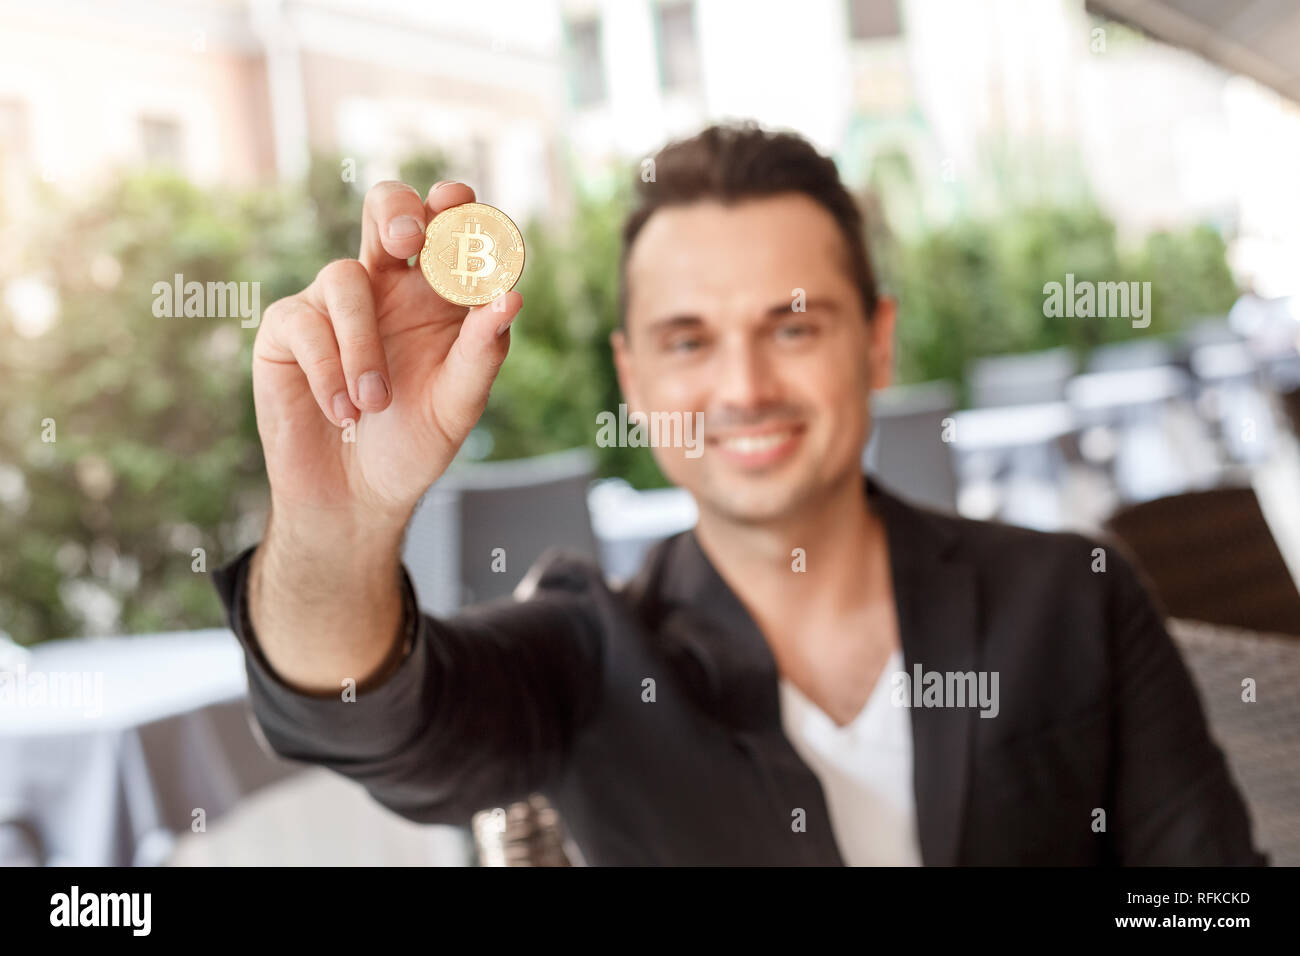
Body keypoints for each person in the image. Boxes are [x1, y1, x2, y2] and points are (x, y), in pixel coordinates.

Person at [213, 123, 1265, 866]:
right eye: (688, 340)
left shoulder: (1072, 595)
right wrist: (335, 524)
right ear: (634, 379)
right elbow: (361, 720)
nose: (744, 385)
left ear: (879, 339)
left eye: (793, 324)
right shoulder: (585, 657)